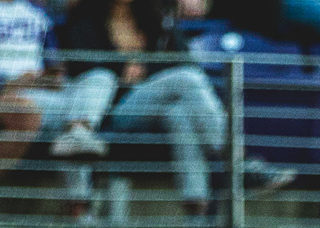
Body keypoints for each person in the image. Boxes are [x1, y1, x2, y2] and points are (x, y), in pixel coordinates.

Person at [59, 0, 294, 214]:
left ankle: (196, 213)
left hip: (153, 103)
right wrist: (122, 70)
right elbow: (82, 70)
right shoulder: (84, 20)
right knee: (188, 80)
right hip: (110, 110)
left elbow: (184, 61)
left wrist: (147, 71)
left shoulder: (156, 19)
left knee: (180, 112)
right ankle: (238, 161)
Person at [0, 0, 118, 214]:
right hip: (3, 93)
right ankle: (80, 210)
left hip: (46, 92)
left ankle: (79, 129)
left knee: (101, 78)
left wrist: (51, 77)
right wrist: (12, 83)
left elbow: (55, 64)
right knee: (43, 117)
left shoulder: (37, 12)